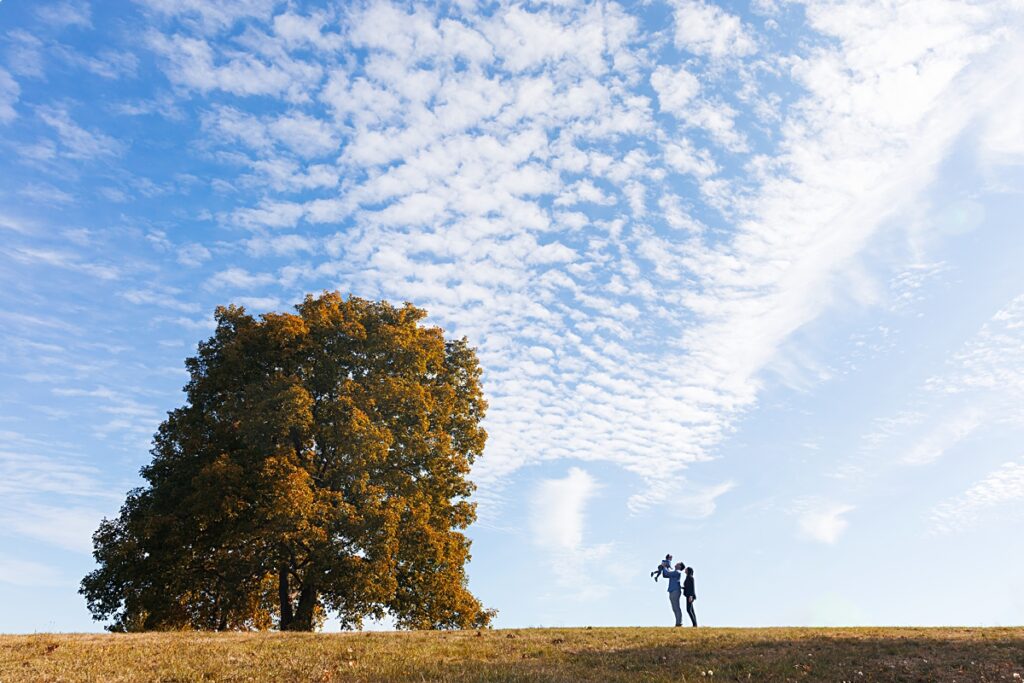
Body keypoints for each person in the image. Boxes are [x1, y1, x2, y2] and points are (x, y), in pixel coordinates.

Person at [660, 561, 686, 626]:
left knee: (676, 607)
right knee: (674, 608)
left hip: (675, 591)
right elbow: (665, 575)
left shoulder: (677, 572)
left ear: (680, 566)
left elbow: (667, 573)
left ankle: (679, 623)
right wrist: (665, 567)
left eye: (678, 564)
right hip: (672, 591)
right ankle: (678, 622)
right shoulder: (674, 572)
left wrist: (664, 566)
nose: (676, 564)